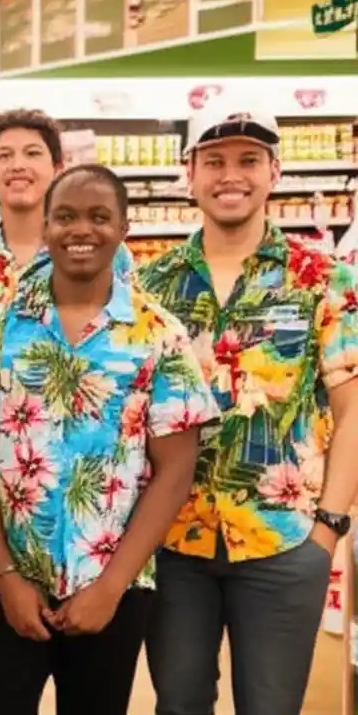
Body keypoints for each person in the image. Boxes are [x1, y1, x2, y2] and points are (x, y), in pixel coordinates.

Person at [0, 165, 219, 715]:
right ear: (44, 226)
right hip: (4, 586)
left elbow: (174, 469)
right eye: (66, 216)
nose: (81, 230)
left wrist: (111, 587)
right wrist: (6, 578)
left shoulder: (158, 334)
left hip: (112, 589)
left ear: (124, 227)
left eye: (99, 217)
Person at [138, 107, 358, 715]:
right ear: (189, 174)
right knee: (178, 703)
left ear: (274, 170)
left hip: (286, 544)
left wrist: (327, 530)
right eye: (214, 161)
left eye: (247, 160)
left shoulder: (322, 277)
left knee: (270, 706)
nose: (229, 175)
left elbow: (353, 408)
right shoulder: (150, 285)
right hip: (172, 543)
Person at [0, 108, 133, 302]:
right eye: (4, 156)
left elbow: (136, 323)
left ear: (58, 170)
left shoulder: (104, 252)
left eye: (32, 153)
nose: (17, 165)